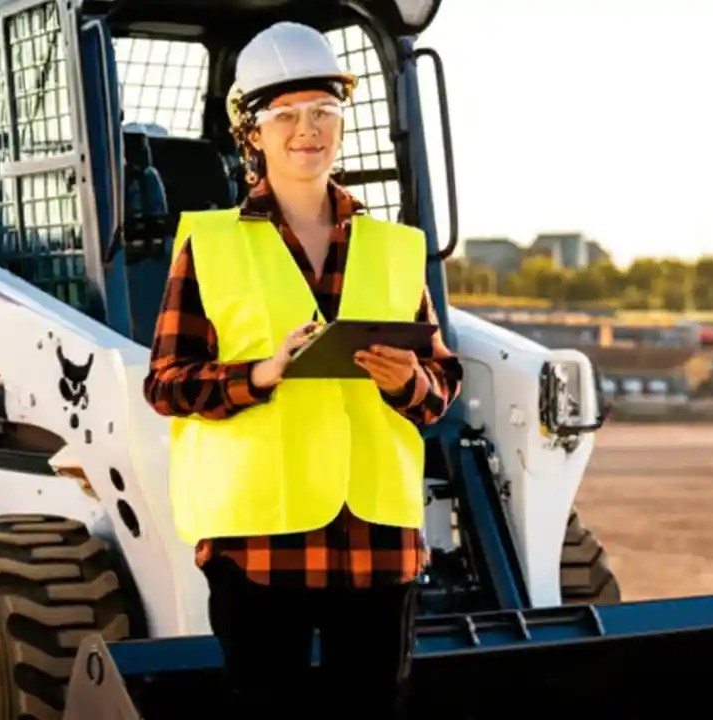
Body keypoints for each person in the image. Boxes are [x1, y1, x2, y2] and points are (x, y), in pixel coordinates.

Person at [143, 20, 463, 720]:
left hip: (379, 540)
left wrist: (406, 382)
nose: (307, 130)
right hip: (258, 540)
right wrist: (256, 376)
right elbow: (166, 382)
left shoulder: (395, 248)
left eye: (324, 112)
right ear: (252, 133)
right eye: (285, 116)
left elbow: (441, 387)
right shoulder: (209, 243)